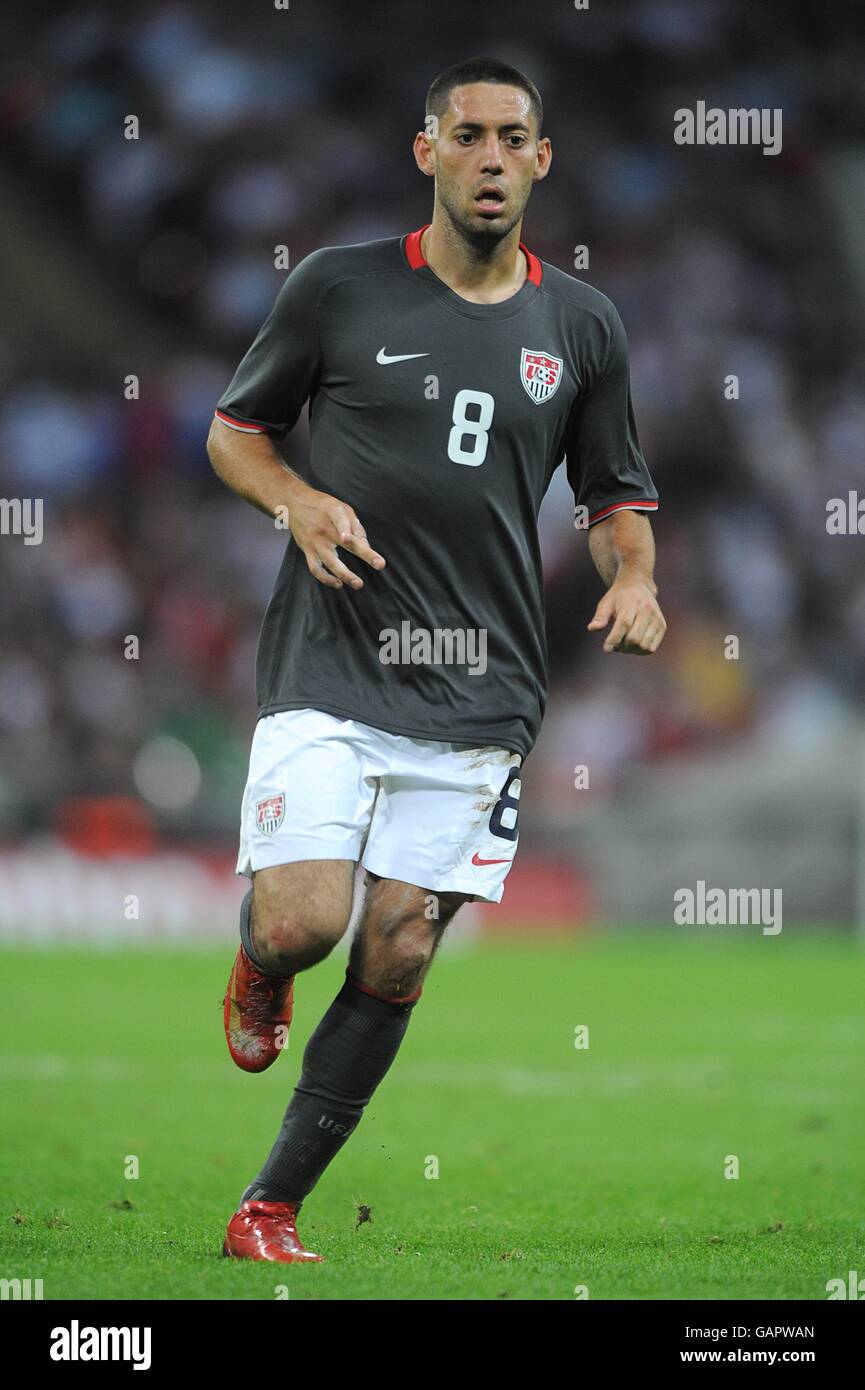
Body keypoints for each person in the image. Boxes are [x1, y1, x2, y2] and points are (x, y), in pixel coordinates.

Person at [207, 56, 665, 1263]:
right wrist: (297, 502)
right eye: (468, 135)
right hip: (333, 660)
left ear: (542, 160)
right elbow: (236, 433)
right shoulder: (337, 288)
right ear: (428, 153)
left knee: (402, 941)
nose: (492, 157)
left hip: (484, 686)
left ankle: (269, 1206)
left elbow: (616, 490)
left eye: (514, 137)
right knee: (307, 921)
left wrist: (634, 575)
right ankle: (261, 964)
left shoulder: (582, 325)